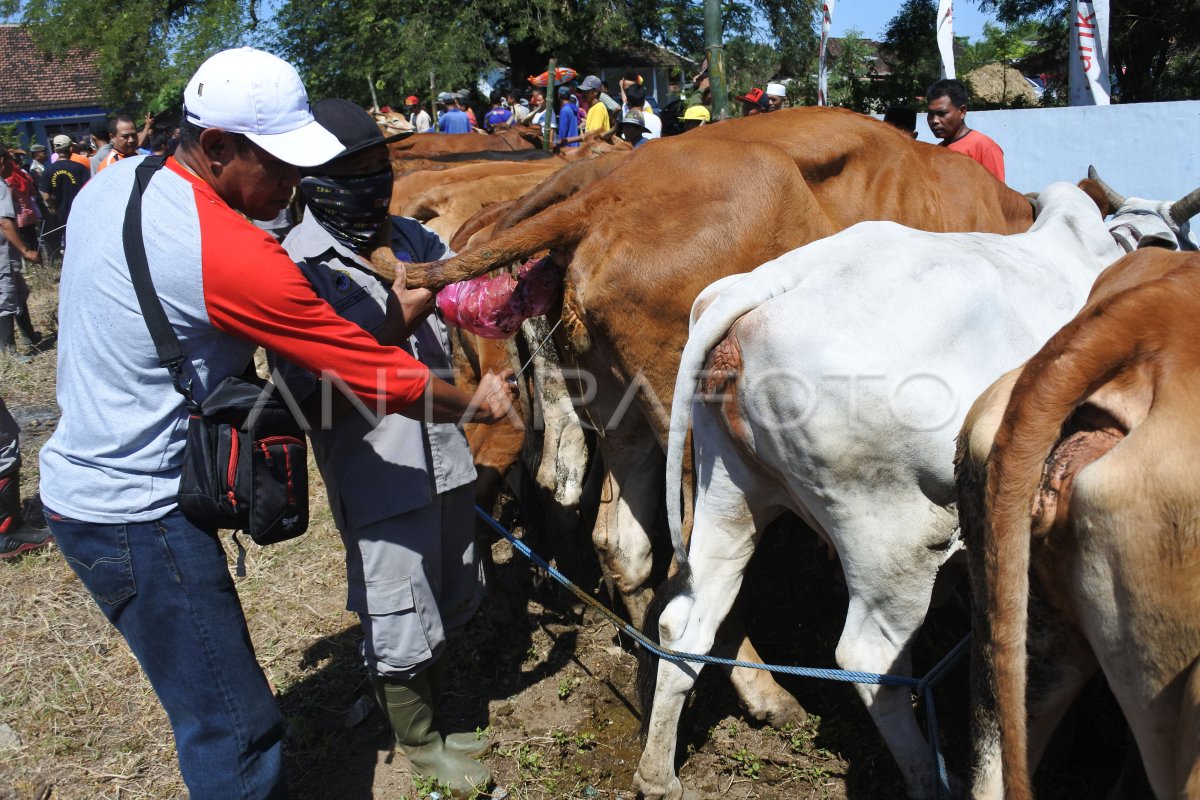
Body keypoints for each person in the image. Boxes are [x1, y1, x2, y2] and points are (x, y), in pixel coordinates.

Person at [38, 46, 516, 800]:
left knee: (224, 705)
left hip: (88, 479)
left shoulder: (118, 182)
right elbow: (376, 377)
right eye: (284, 165)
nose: (300, 185)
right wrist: (478, 403)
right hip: (139, 509)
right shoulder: (240, 256)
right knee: (235, 731)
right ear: (218, 145)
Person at [274, 97, 510, 796]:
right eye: (356, 171)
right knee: (397, 608)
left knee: (447, 590)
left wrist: (505, 286)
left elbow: (466, 294)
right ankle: (421, 743)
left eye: (382, 165)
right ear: (313, 180)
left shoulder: (409, 238)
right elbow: (302, 390)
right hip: (380, 469)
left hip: (444, 452)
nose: (375, 182)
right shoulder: (295, 266)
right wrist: (387, 323)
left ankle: (440, 710)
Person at [0, 150, 41, 360]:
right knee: (6, 298)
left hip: (7, 252)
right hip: (2, 254)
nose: (13, 163)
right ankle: (9, 352)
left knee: (18, 291)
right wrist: (26, 250)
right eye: (10, 159)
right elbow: (5, 222)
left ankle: (29, 334)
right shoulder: (0, 186)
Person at [926, 78, 1005, 182]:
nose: (934, 120)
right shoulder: (937, 150)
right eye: (930, 114)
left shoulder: (984, 147)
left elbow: (997, 195)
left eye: (942, 113)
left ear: (962, 111)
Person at [40, 135, 90, 253]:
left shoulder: (48, 171)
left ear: (55, 150)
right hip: (80, 211)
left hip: (62, 214)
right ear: (71, 149)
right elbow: (89, 189)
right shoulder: (80, 168)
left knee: (69, 242)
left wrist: (55, 208)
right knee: (84, 242)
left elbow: (46, 196)